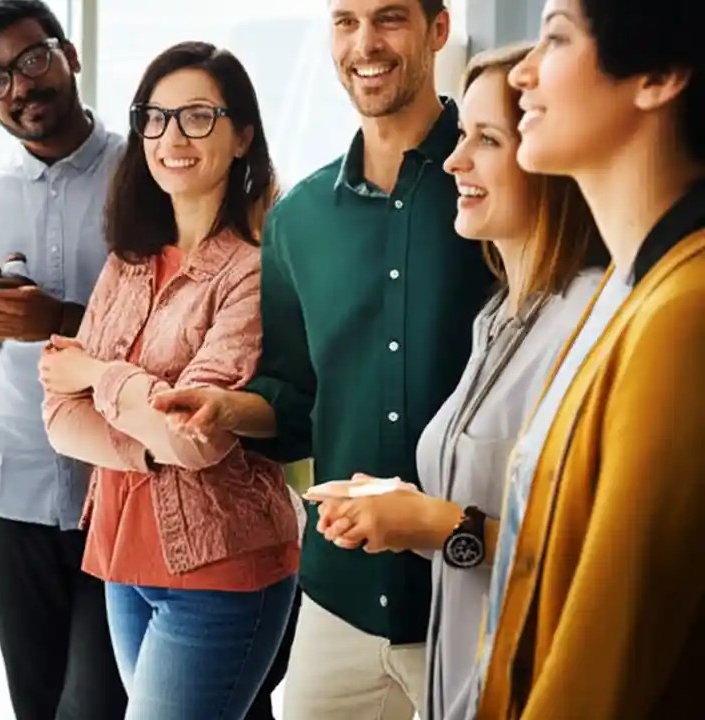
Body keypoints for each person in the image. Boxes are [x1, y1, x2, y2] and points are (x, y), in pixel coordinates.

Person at [149, 1, 497, 717]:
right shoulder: (296, 220)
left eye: (390, 18)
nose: (365, 44)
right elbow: (297, 401)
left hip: (475, 594)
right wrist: (229, 409)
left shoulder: (501, 190)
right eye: (346, 21)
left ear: (439, 29)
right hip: (337, 606)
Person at [305, 42, 608, 720]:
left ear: (550, 158)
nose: (453, 160)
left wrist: (434, 525)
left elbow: (596, 561)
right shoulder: (498, 317)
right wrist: (400, 506)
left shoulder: (592, 322)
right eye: (461, 135)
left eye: (486, 139)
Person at [38, 41, 300, 720]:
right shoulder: (130, 261)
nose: (170, 138)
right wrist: (145, 436)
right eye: (154, 119)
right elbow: (60, 419)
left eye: (196, 118)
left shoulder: (253, 267)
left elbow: (196, 439)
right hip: (124, 561)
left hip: (219, 568)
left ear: (242, 135)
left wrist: (95, 373)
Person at [474, 0, 705, 717]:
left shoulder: (684, 313)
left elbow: (612, 632)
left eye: (557, 38)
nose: (525, 74)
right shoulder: (628, 289)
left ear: (660, 75)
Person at [0, 2, 127, 717]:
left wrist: (63, 320)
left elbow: (188, 332)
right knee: (37, 705)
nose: (19, 86)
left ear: (69, 56)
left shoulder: (151, 177)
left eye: (32, 60)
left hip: (126, 493)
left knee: (98, 705)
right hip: (9, 500)